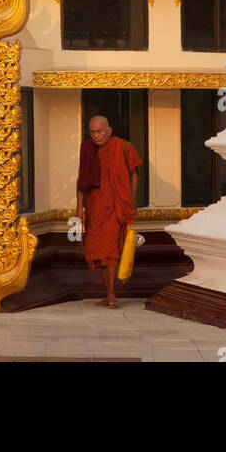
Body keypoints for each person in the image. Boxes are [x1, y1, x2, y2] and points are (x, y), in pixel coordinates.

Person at [76, 115, 141, 308]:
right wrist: (79, 206)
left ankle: (111, 295)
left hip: (116, 205)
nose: (96, 136)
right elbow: (82, 179)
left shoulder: (122, 147)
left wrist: (130, 199)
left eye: (100, 131)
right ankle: (108, 293)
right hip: (95, 207)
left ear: (109, 131)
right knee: (99, 251)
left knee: (110, 250)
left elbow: (134, 174)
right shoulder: (88, 149)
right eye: (93, 132)